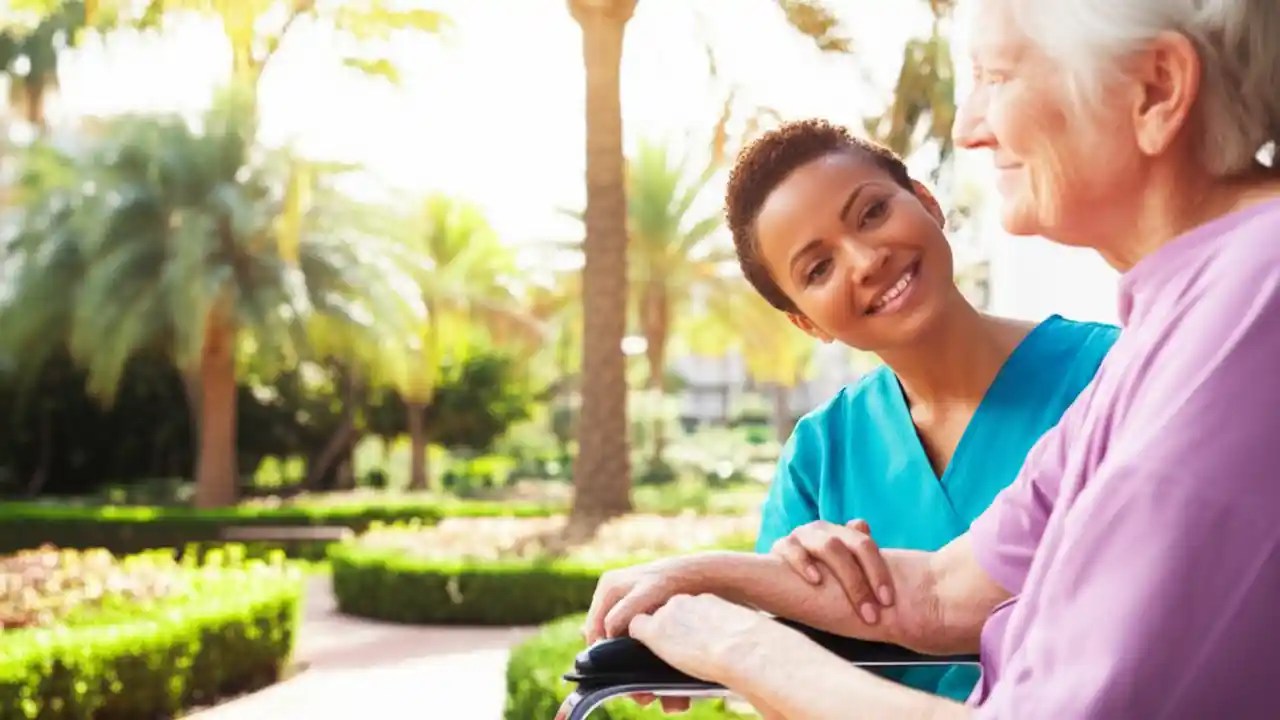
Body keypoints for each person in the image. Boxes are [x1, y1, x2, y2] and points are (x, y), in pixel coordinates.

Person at [581, 0, 1280, 717]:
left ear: (1157, 88)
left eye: (996, 77)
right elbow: (944, 593)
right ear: (802, 319)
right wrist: (696, 578)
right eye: (817, 268)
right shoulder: (1178, 322)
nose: (970, 129)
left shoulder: (1250, 308)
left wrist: (739, 647)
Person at [726, 119, 1116, 704]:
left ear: (927, 203)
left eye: (871, 213)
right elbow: (783, 691)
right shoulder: (820, 457)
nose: (864, 260)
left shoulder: (1116, 372)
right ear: (806, 321)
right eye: (818, 269)